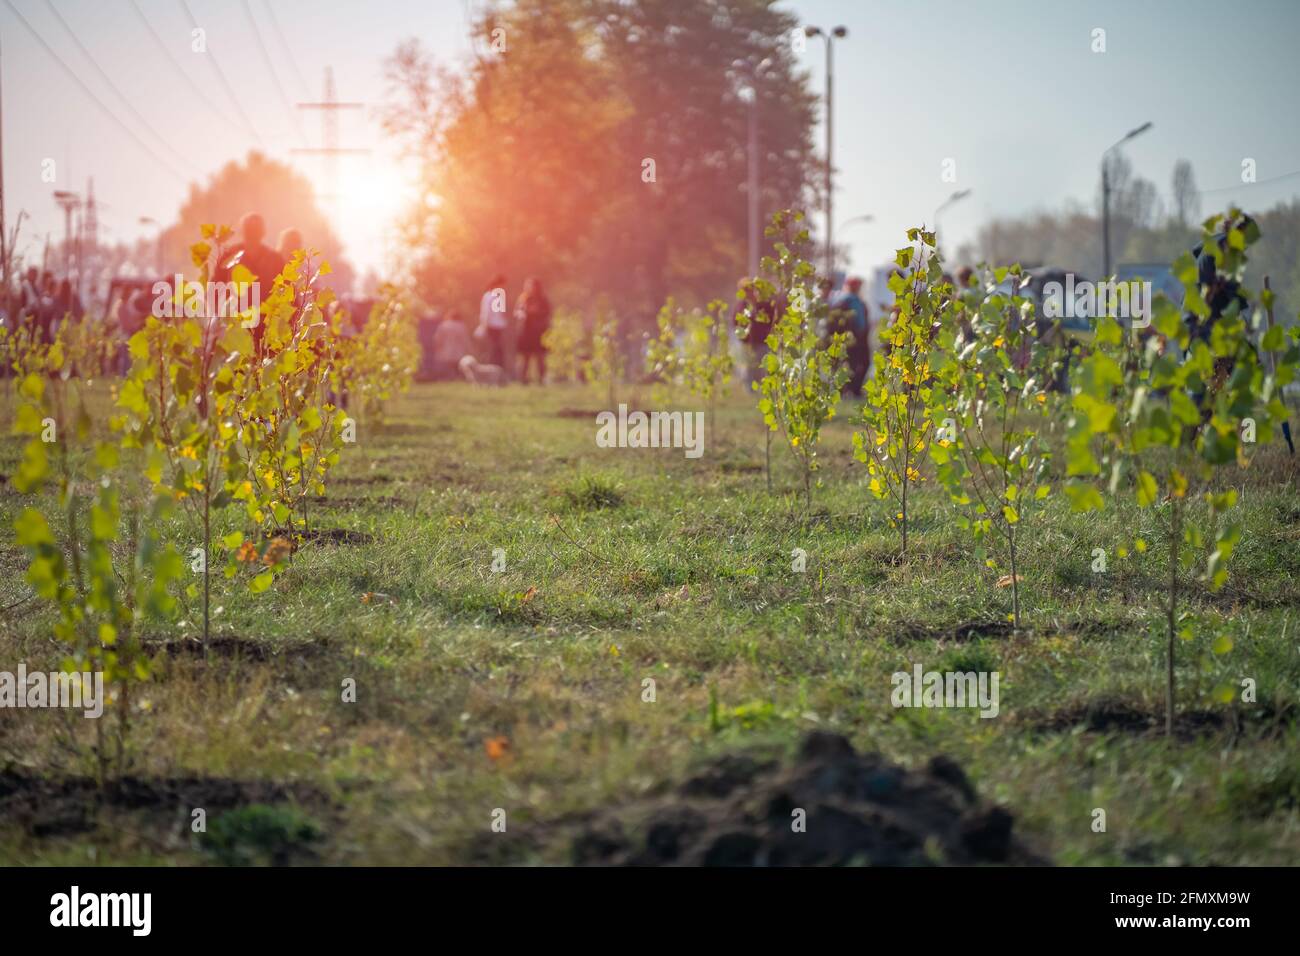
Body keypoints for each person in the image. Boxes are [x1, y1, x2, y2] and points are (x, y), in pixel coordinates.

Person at [214, 212, 285, 287]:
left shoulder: (275, 258)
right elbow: (217, 284)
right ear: (241, 232)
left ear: (263, 232)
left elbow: (286, 286)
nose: (252, 234)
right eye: (249, 230)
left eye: (256, 230)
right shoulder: (229, 255)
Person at [828, 276, 871, 397]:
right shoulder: (844, 301)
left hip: (857, 339)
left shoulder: (856, 301)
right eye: (856, 285)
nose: (858, 288)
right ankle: (848, 389)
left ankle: (852, 389)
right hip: (852, 339)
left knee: (860, 363)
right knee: (851, 364)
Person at [514, 277, 552, 384]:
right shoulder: (523, 298)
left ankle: (541, 379)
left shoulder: (543, 299)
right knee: (525, 357)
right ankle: (523, 380)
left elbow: (547, 313)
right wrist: (521, 314)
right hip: (526, 332)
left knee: (540, 357)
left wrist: (536, 312)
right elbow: (517, 311)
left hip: (539, 331)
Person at [476, 274, 511, 371]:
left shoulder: (499, 296)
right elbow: (486, 313)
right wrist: (484, 327)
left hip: (499, 327)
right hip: (492, 327)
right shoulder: (488, 296)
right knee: (493, 350)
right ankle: (492, 371)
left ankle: (500, 371)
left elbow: (502, 314)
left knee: (498, 350)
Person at [429, 310, 472, 380]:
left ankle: (448, 378)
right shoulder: (461, 326)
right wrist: (469, 350)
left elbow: (437, 338)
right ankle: (456, 378)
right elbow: (466, 340)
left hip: (445, 351)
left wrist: (437, 347)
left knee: (447, 369)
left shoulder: (444, 325)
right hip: (459, 352)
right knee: (457, 368)